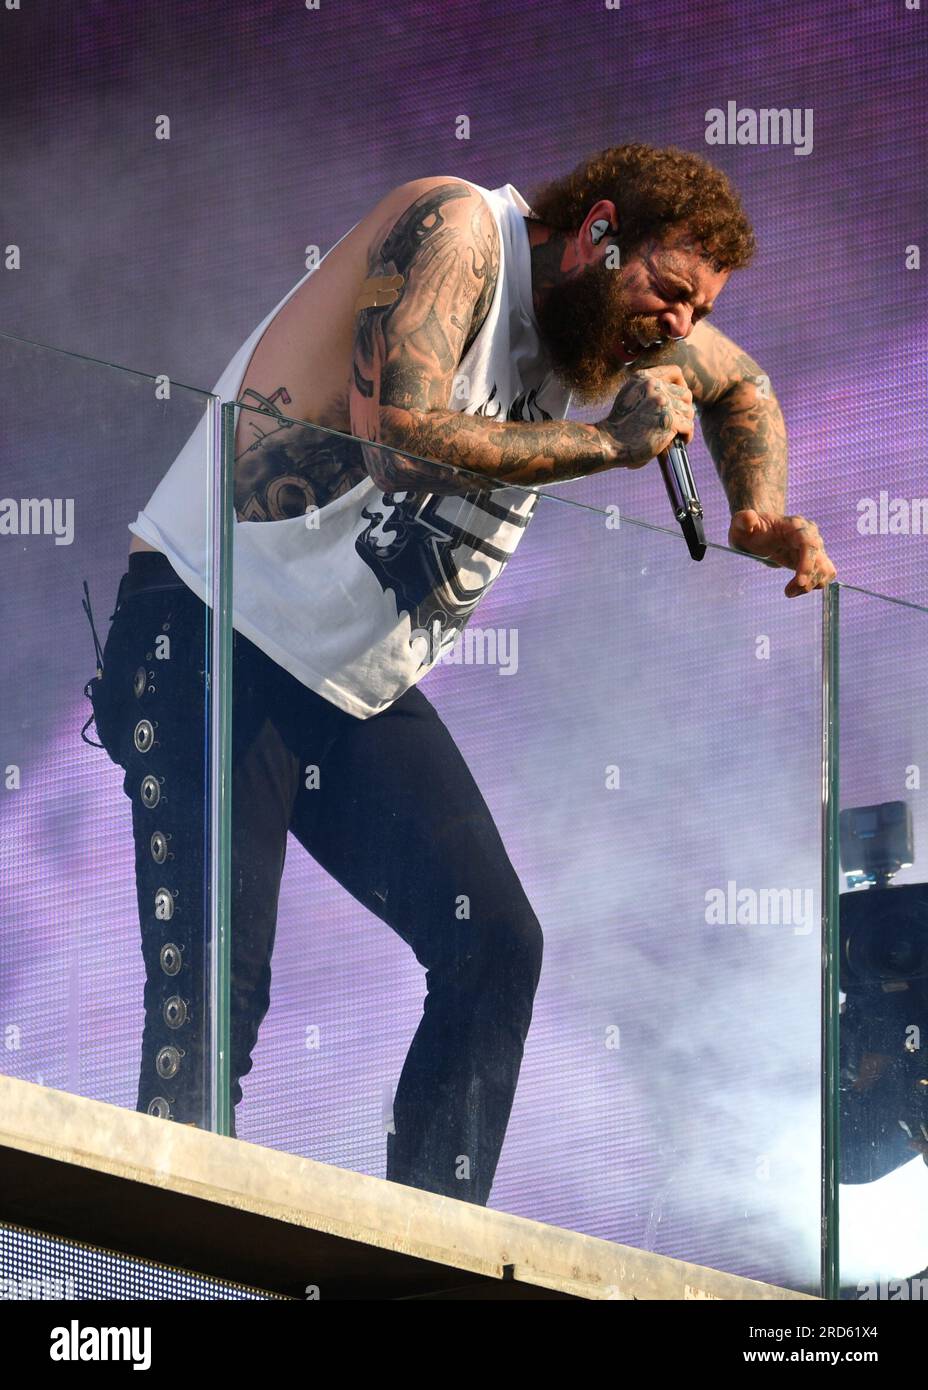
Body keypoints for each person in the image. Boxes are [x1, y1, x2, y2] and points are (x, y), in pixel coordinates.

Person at [84, 143, 836, 1206]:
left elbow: (741, 385)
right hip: (210, 632)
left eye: (692, 309)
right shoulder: (455, 231)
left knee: (496, 947)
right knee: (215, 994)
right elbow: (397, 435)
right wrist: (606, 448)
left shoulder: (613, 322)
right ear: (596, 232)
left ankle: (432, 1258)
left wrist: (754, 507)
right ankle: (148, 1277)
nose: (674, 328)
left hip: (350, 686)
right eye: (666, 294)